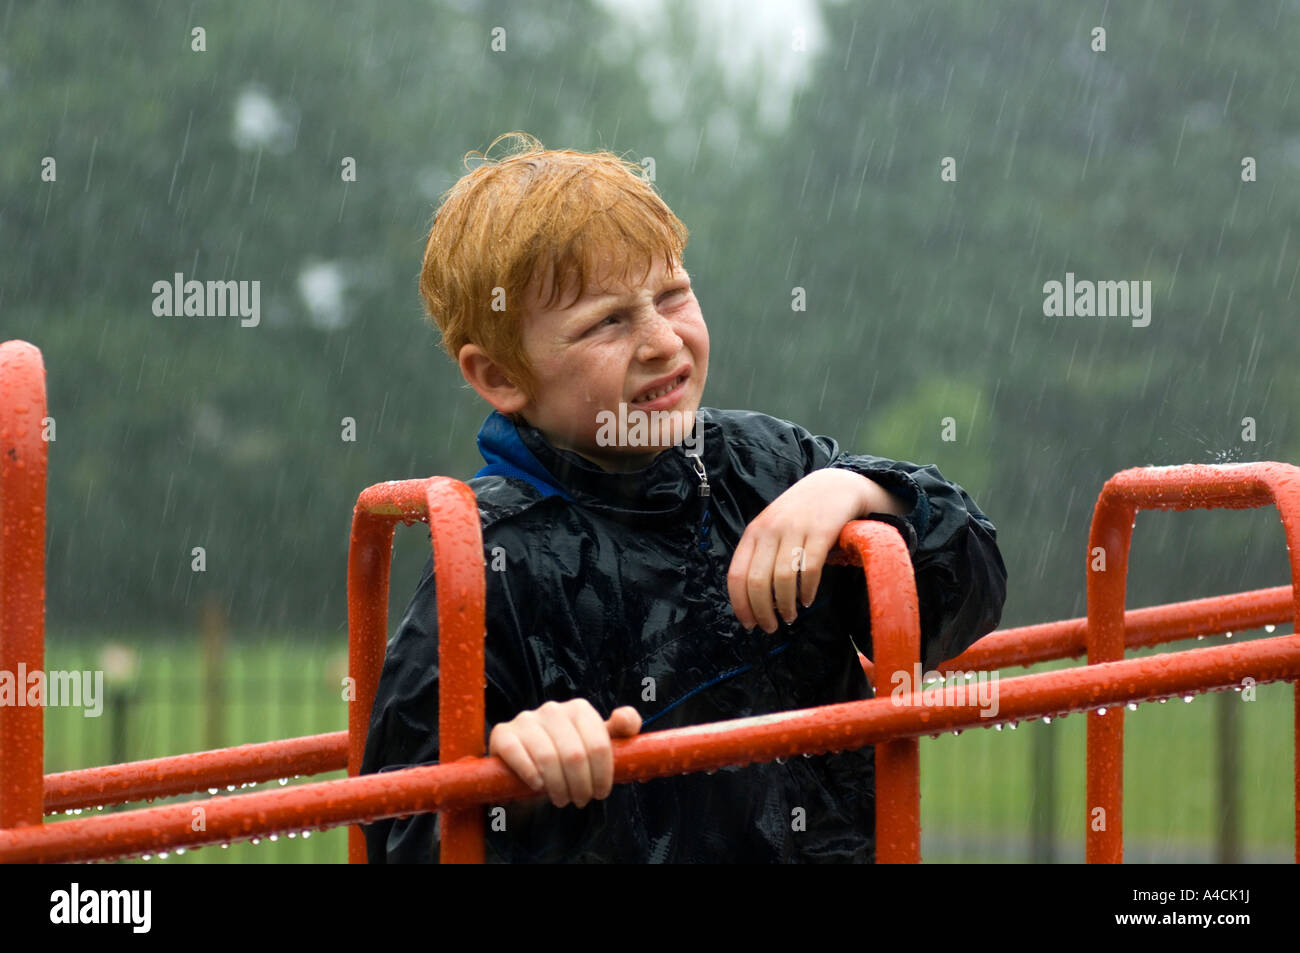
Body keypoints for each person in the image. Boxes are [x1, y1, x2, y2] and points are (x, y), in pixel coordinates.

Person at [360, 132, 1007, 862]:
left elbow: (972, 589)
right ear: (502, 376)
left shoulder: (770, 464)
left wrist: (867, 495)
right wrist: (510, 783)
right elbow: (398, 825)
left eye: (672, 294)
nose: (663, 341)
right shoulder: (483, 559)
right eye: (606, 321)